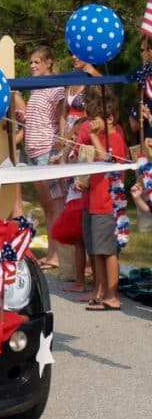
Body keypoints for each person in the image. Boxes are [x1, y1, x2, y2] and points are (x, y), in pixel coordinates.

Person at [75, 91, 128, 311]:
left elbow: (108, 160)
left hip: (108, 204)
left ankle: (112, 295)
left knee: (108, 251)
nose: (92, 123)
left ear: (109, 119)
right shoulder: (104, 138)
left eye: (96, 118)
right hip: (96, 201)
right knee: (97, 251)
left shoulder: (114, 138)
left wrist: (95, 136)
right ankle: (102, 291)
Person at [22, 45, 66, 270]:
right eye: (31, 63)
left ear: (49, 62)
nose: (32, 66)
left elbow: (60, 117)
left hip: (47, 152)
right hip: (33, 152)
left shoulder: (56, 86)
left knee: (54, 205)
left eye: (37, 62)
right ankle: (52, 252)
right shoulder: (35, 88)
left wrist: (60, 146)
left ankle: (57, 254)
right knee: (46, 207)